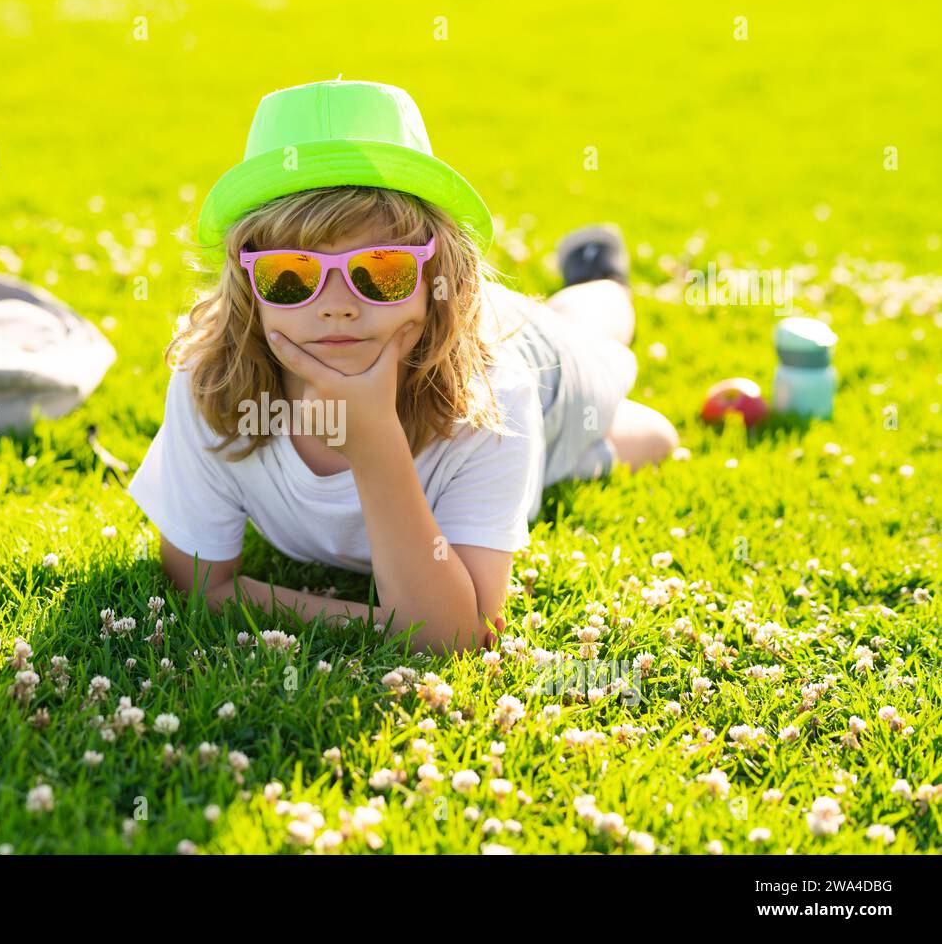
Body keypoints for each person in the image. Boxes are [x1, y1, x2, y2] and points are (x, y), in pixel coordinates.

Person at [127, 79, 678, 654]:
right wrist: (380, 620)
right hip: (435, 345)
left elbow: (460, 639)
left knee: (614, 365)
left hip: (544, 377)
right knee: (626, 437)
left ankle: (599, 273)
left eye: (381, 269)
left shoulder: (494, 395)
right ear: (248, 288)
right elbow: (200, 582)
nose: (337, 303)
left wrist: (374, 446)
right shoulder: (211, 381)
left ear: (439, 277)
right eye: (291, 274)